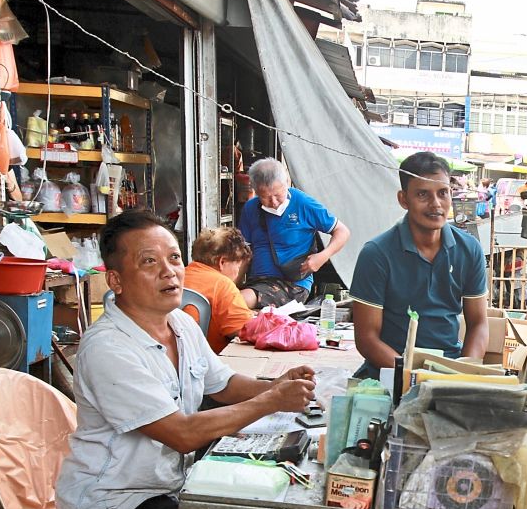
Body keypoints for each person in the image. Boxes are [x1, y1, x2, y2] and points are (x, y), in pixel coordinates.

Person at [55, 210, 317, 509]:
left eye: (174, 258)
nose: (169, 271)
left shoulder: (180, 323)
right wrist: (270, 402)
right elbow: (181, 433)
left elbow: (225, 383)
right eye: (149, 262)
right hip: (113, 501)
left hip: (166, 487)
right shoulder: (108, 349)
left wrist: (278, 384)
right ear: (115, 280)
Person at [351, 151, 489, 372]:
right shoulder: (376, 254)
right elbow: (367, 339)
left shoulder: (469, 249)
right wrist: (410, 375)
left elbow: (479, 324)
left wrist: (463, 373)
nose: (436, 204)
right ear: (403, 199)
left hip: (448, 369)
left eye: (443, 193)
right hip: (390, 370)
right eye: (423, 195)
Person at [239, 158, 351, 309]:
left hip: (293, 285)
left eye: (278, 195)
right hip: (257, 282)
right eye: (265, 197)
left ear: (286, 182)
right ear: (256, 190)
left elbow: (342, 232)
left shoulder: (303, 203)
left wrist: (321, 257)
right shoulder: (250, 208)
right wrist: (233, 284)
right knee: (230, 300)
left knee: (239, 302)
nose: (273, 202)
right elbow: (244, 252)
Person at [182, 228, 256, 354]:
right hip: (206, 364)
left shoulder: (178, 276)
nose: (238, 273)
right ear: (222, 262)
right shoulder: (223, 285)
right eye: (238, 266)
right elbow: (247, 331)